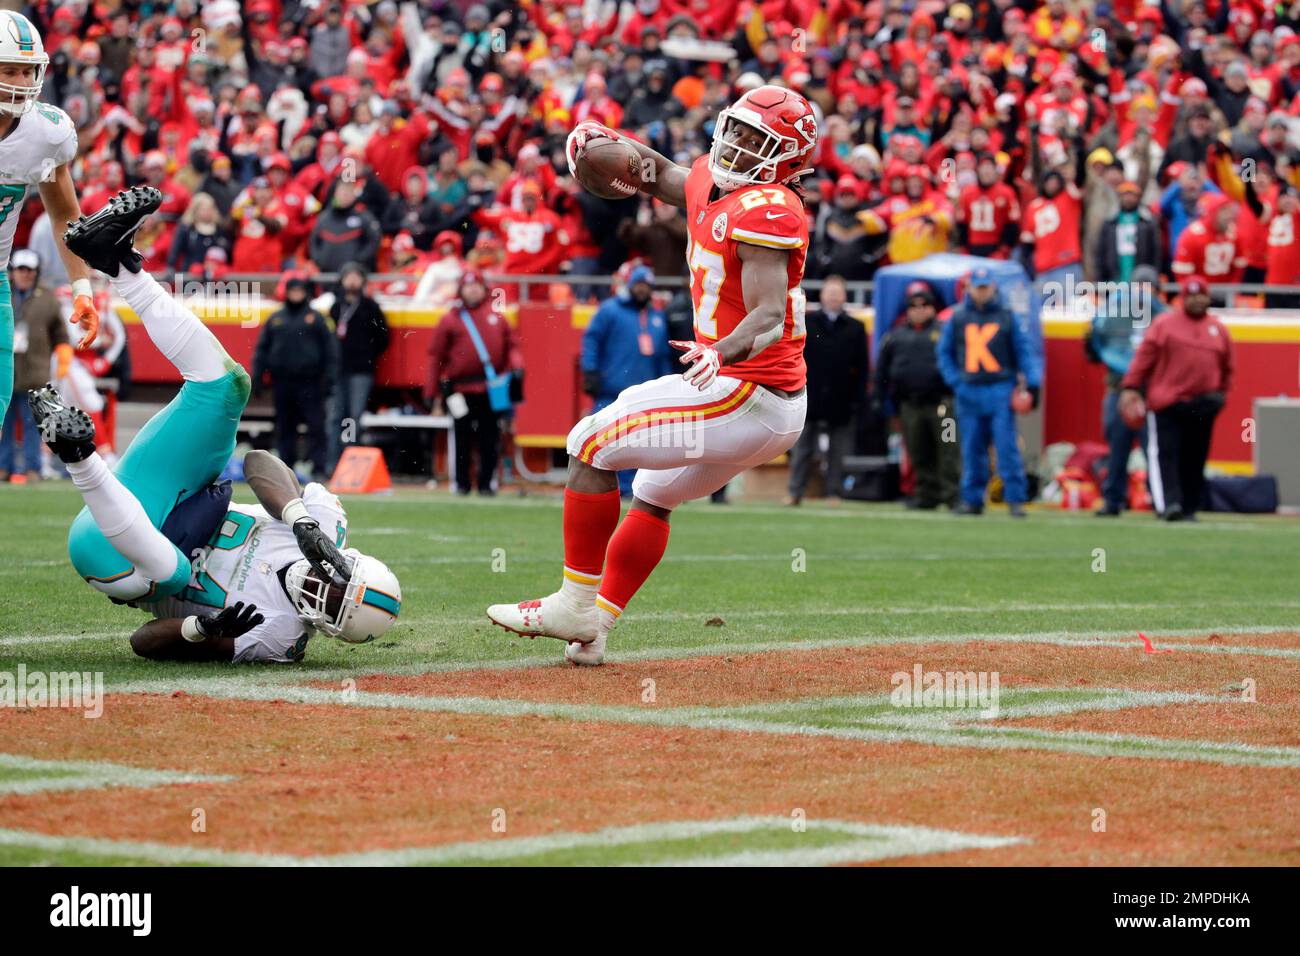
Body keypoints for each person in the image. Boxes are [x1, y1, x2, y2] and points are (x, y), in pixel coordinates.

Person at [488, 85, 817, 665]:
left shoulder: (771, 207)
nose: (734, 144)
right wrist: (600, 139)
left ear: (785, 157)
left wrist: (724, 351)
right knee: (653, 493)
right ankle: (594, 628)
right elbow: (656, 171)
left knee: (589, 441)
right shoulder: (713, 183)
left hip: (747, 388)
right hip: (767, 399)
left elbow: (767, 315)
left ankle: (572, 603)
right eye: (734, 129)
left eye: (752, 138)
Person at [32, 185, 399, 662]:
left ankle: (79, 458)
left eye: (329, 605)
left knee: (173, 574)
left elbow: (141, 643)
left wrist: (197, 629)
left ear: (326, 626)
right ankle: (117, 262)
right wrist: (300, 521)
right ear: (345, 564)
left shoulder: (277, 635)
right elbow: (258, 462)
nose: (319, 587)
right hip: (166, 493)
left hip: (113, 550)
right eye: (334, 583)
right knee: (227, 385)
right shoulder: (327, 525)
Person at [0, 11, 100, 433]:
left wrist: (82, 286)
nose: (22, 82)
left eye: (28, 70)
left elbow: (64, 212)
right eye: (10, 71)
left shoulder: (46, 132)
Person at [1120, 276, 1233, 522]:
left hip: (1203, 403)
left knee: (1196, 456)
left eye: (1200, 294)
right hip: (1168, 403)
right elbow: (1144, 358)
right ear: (1183, 298)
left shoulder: (1218, 329)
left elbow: (1227, 367)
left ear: (1207, 297)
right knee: (1166, 455)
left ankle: (1190, 506)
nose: (1196, 300)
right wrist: (1130, 386)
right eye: (1191, 295)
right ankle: (1168, 504)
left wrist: (1221, 395)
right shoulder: (1164, 325)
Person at [937, 267, 1042, 517]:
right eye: (978, 287)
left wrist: (1033, 383)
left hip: (999, 387)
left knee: (1006, 446)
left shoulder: (1006, 317)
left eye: (986, 287)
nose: (982, 293)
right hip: (969, 389)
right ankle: (972, 499)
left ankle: (1015, 498)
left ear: (993, 287)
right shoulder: (959, 317)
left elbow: (1023, 351)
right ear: (970, 288)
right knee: (971, 448)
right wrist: (956, 382)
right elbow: (944, 353)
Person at [425, 269, 523, 496]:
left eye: (476, 286)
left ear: (484, 289)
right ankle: (461, 484)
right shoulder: (450, 319)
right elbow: (435, 356)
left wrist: (517, 369)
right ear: (461, 290)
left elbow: (512, 347)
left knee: (490, 437)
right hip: (460, 389)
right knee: (462, 437)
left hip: (491, 388)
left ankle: (487, 483)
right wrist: (432, 391)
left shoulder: (497, 318)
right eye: (468, 286)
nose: (472, 290)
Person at [581, 264, 672, 497]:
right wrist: (590, 372)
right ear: (630, 285)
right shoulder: (609, 310)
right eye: (639, 284)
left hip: (643, 396)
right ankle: (600, 490)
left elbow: (662, 355)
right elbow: (591, 341)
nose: (642, 290)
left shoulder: (657, 316)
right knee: (604, 443)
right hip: (611, 390)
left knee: (639, 446)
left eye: (647, 286)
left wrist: (666, 383)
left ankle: (632, 491)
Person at [874, 280, 959, 510]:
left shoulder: (945, 333)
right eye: (914, 306)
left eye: (924, 305)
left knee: (949, 449)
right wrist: (880, 399)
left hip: (944, 404)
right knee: (918, 452)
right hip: (910, 405)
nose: (919, 310)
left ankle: (953, 496)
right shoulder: (895, 337)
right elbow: (882, 370)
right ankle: (926, 495)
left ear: (933, 308)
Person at [1087, 265, 1163, 516]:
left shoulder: (1161, 319)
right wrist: (1090, 339)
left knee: (1153, 450)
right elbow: (1097, 351)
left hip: (1148, 393)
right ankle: (1113, 499)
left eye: (1147, 287)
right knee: (1116, 447)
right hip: (1119, 389)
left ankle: (1160, 498)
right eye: (1139, 286)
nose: (1143, 293)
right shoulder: (1116, 314)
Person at [785, 275, 868, 504]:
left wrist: (859, 399)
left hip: (841, 397)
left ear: (845, 297)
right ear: (821, 295)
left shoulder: (855, 328)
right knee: (802, 448)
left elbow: (861, 367)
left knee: (838, 451)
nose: (833, 297)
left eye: (838, 293)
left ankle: (834, 492)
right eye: (830, 292)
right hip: (809, 396)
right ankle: (795, 491)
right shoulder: (807, 324)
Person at [252, 275, 337, 480]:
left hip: (311, 382)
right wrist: (258, 377)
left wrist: (330, 378)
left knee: (315, 425)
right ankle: (285, 470)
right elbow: (262, 350)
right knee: (284, 426)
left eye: (299, 291)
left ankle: (319, 468)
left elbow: (330, 350)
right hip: (283, 381)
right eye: (293, 291)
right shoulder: (276, 319)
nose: (296, 295)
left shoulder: (316, 319)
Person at [0, 249, 69, 482]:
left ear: (36, 272)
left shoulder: (47, 298)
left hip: (35, 373)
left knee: (33, 426)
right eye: (21, 269)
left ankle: (32, 469)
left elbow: (61, 333)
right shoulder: (3, 292)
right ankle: (3, 468)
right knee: (4, 424)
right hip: (5, 371)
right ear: (13, 271)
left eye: (30, 270)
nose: (25, 274)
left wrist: (64, 352)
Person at [327, 262, 390, 471]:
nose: (352, 281)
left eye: (356, 276)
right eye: (348, 276)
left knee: (354, 416)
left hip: (361, 370)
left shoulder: (371, 307)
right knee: (337, 416)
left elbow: (383, 337)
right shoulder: (336, 307)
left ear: (363, 280)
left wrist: (368, 355)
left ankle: (351, 464)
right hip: (339, 370)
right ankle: (333, 463)